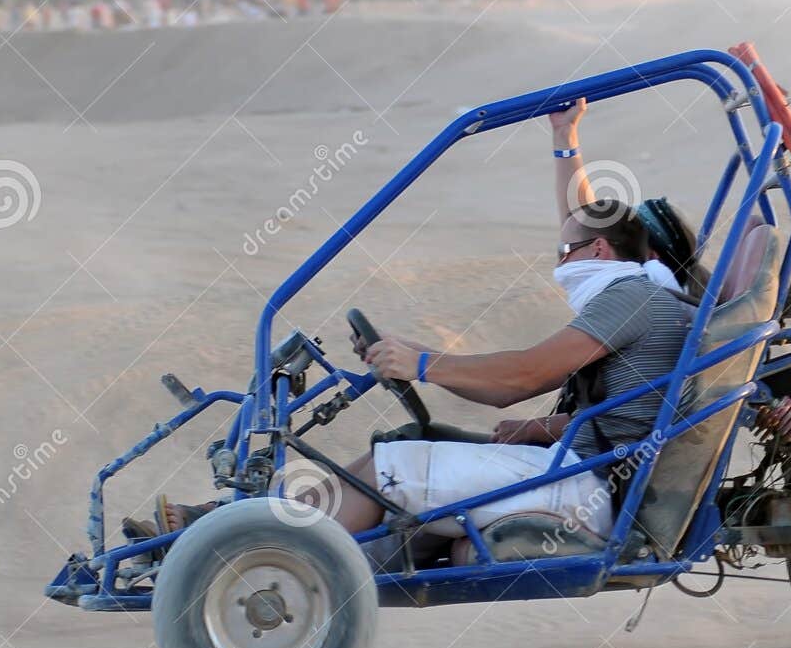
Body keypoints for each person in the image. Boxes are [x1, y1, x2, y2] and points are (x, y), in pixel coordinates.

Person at [131, 98, 693, 544]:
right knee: (401, 443)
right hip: (574, 467)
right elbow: (579, 225)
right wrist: (565, 139)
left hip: (584, 487)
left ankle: (243, 547)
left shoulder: (633, 298)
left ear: (599, 252)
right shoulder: (635, 292)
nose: (558, 261)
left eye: (564, 251)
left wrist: (423, 363)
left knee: (390, 465)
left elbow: (521, 378)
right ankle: (235, 524)